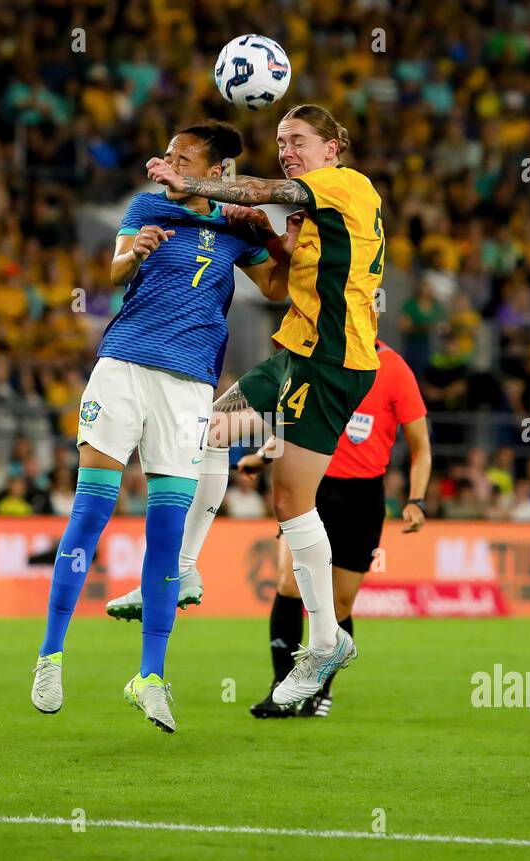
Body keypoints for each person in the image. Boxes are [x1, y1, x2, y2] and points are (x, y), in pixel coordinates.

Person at [31, 121, 292, 733]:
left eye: (182, 157)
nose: (164, 163)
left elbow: (279, 287)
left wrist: (279, 240)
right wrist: (133, 254)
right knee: (90, 511)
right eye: (167, 153)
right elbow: (113, 274)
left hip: (189, 386)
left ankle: (149, 676)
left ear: (214, 171)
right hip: (122, 367)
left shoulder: (234, 224)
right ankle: (50, 653)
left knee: (167, 529)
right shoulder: (149, 207)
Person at [144, 103, 384, 705]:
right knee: (210, 430)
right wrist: (267, 237)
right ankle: (188, 565)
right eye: (280, 140)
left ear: (332, 147)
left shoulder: (344, 185)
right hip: (297, 351)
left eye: (299, 140)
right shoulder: (312, 211)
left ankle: (327, 639)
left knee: (289, 498)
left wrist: (194, 184)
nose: (287, 149)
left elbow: (266, 187)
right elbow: (284, 280)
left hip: (332, 363)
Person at [108, 341, 431, 719]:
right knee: (287, 584)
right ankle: (281, 687)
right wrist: (263, 456)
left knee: (340, 602)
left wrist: (416, 499)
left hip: (360, 497)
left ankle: (318, 690)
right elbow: (296, 417)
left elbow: (420, 445)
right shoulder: (311, 350)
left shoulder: (392, 369)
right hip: (312, 484)